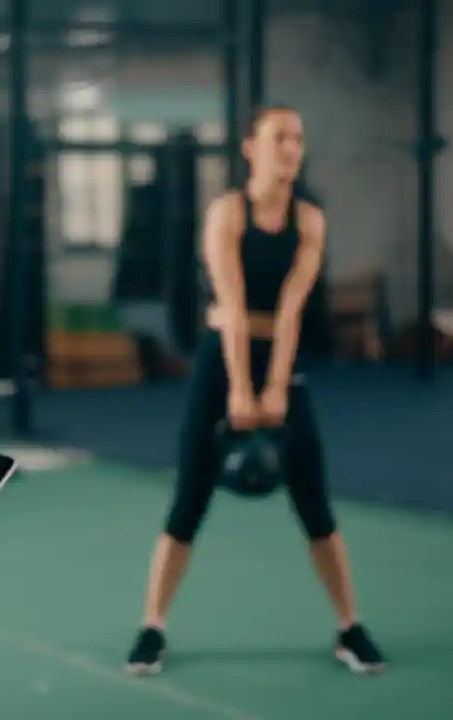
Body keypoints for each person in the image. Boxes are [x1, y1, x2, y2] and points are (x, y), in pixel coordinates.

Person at [124, 106, 386, 677]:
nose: (291, 148)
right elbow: (235, 304)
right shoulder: (227, 214)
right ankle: (152, 627)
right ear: (250, 147)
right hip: (221, 359)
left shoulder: (310, 220)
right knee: (189, 499)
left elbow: (291, 310)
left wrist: (275, 386)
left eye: (298, 137)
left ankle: (350, 627)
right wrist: (241, 389)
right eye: (279, 138)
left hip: (280, 360)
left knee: (314, 499)